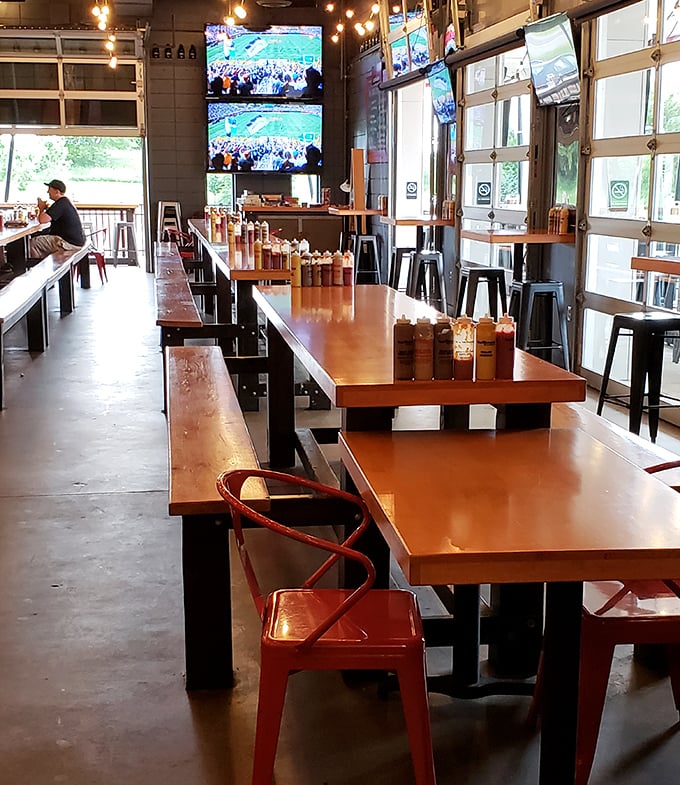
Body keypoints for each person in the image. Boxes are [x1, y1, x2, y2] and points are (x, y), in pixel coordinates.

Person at [30, 179, 86, 260]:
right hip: (75, 241)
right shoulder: (65, 202)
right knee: (39, 238)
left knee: (32, 243)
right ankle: (40, 264)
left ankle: (36, 267)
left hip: (68, 243)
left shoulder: (60, 204)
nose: (48, 192)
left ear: (57, 191)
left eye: (49, 189)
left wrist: (41, 208)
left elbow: (42, 220)